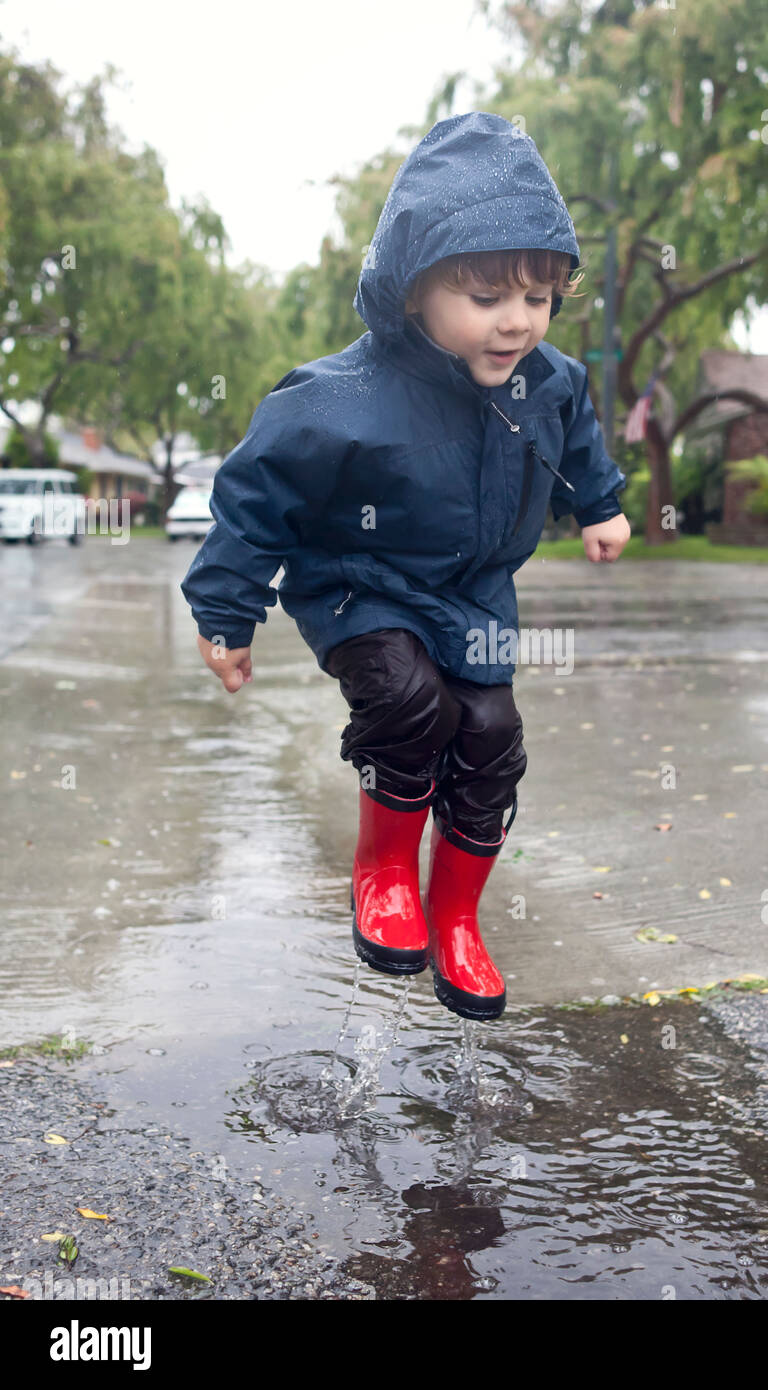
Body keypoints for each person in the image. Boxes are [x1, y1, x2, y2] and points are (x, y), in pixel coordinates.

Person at [181, 111, 630, 1022]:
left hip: (471, 593)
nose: (518, 323)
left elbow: (575, 429)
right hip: (360, 581)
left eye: (539, 298)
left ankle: (456, 916)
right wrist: (225, 612)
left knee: (491, 738)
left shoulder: (548, 379)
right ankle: (385, 870)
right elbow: (257, 494)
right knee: (406, 699)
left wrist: (602, 500)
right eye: (488, 297)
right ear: (414, 289)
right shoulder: (340, 399)